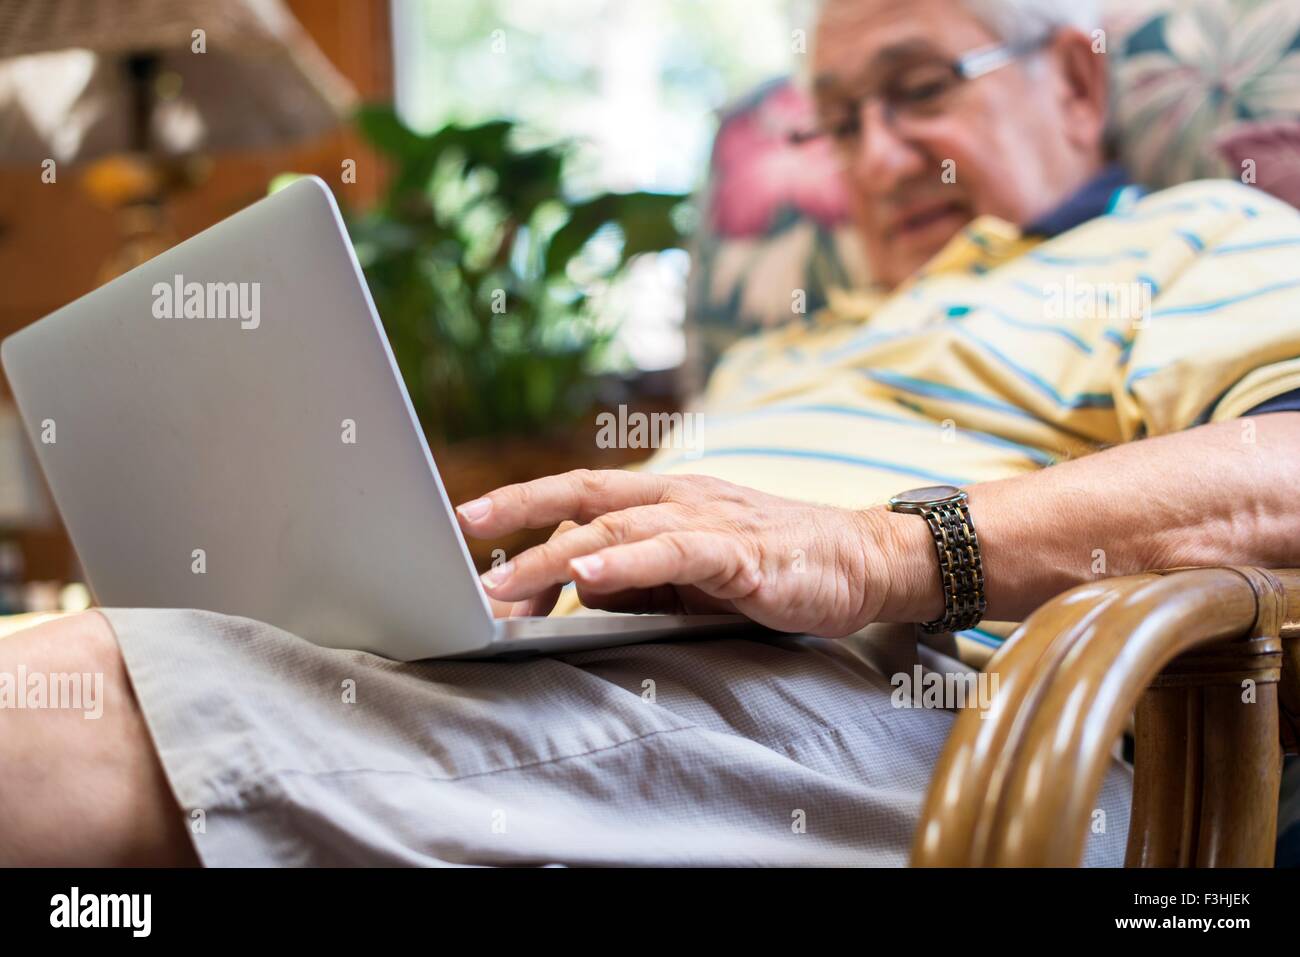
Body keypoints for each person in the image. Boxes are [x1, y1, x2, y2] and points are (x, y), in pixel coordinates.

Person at [2, 0, 1297, 867]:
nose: (881, 153)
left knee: (75, 706)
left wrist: (886, 552)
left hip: (930, 701)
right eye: (841, 120)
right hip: (630, 673)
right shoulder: (797, 340)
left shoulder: (1190, 235)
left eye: (919, 90)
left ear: (1076, 80)